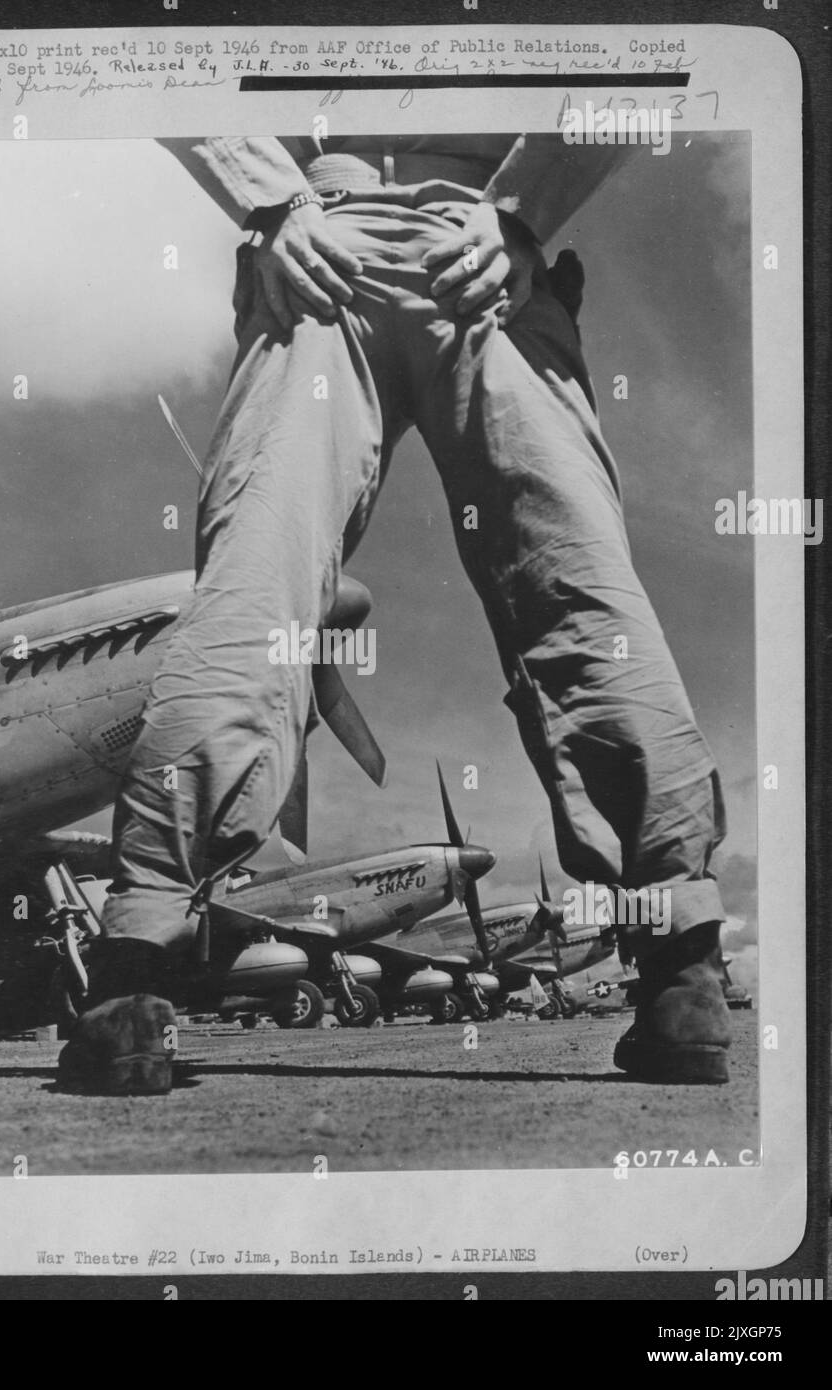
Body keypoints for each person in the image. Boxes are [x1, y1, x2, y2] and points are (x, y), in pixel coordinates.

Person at [57, 134, 732, 1094]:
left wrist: (272, 202)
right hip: (484, 251)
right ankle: (681, 973)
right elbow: (636, 55)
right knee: (581, 593)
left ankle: (128, 979)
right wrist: (525, 209)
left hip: (325, 248)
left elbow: (174, 61)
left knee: (255, 587)